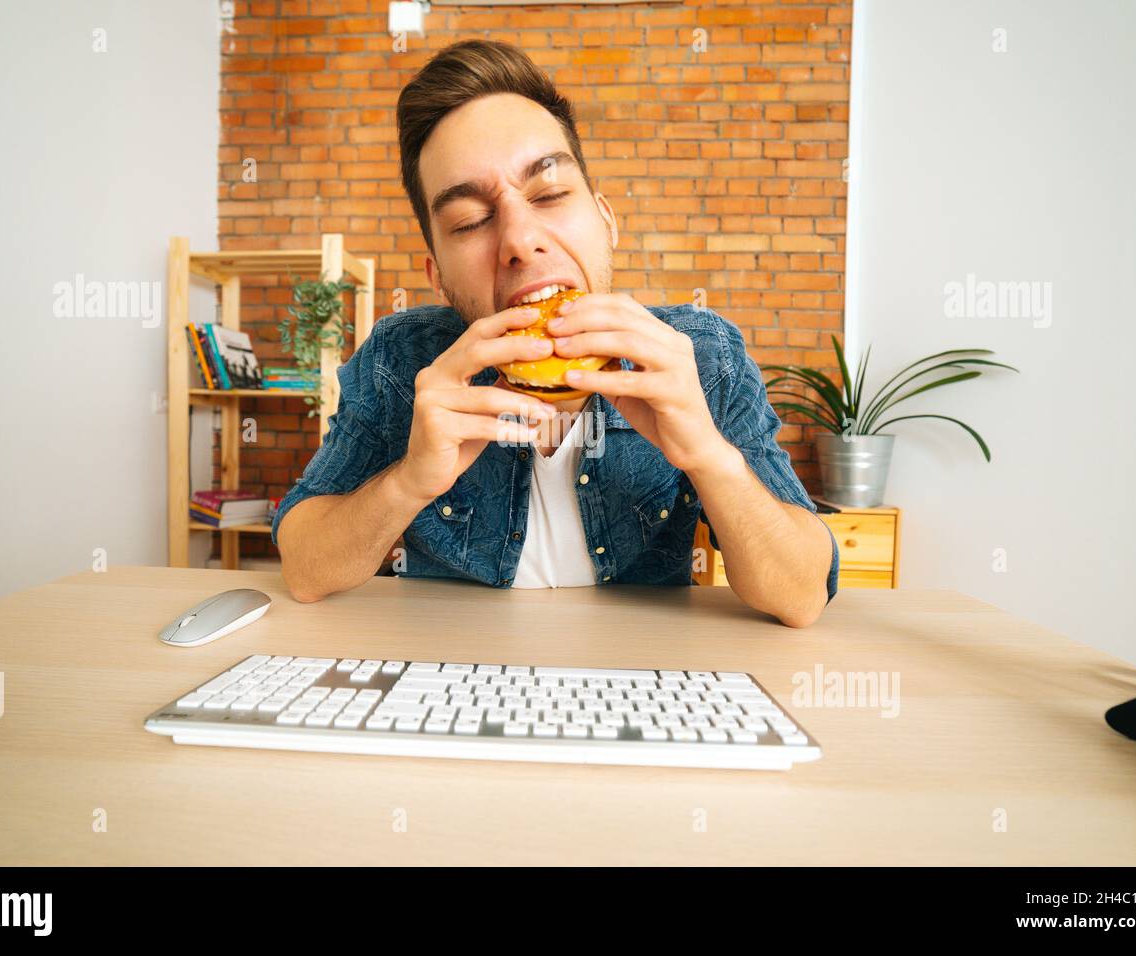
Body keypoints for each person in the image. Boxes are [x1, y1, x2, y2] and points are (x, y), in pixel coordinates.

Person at [274, 39, 838, 626]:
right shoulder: (401, 360)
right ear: (437, 277)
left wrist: (707, 455)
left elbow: (799, 597)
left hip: (637, 687)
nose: (520, 240)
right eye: (470, 221)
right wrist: (408, 482)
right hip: (448, 681)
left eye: (548, 194)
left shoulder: (703, 356)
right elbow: (305, 571)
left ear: (606, 221)